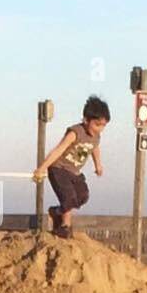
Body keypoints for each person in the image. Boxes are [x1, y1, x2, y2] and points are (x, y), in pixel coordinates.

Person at [33, 95, 110, 238]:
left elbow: (94, 147)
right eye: (97, 125)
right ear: (86, 120)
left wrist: (98, 164)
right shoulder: (76, 132)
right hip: (59, 169)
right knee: (68, 198)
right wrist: (42, 167)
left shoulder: (96, 136)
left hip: (74, 172)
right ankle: (65, 227)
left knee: (82, 196)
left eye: (103, 126)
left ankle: (55, 212)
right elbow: (59, 149)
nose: (100, 129)